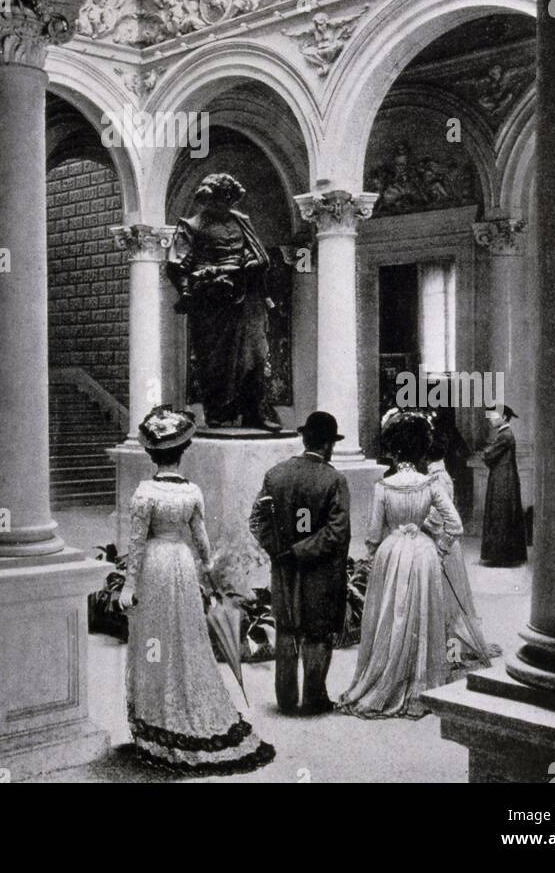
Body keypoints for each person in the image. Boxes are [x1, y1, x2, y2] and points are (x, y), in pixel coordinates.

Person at [120, 405, 275, 774]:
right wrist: (208, 577)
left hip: (156, 566)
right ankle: (176, 708)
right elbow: (203, 544)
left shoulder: (144, 493)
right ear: (181, 452)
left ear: (152, 454)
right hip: (181, 565)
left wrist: (128, 585)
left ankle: (158, 717)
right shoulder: (192, 492)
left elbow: (137, 544)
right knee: (185, 638)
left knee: (155, 639)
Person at [338, 414, 463, 719]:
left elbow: (372, 534)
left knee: (392, 612)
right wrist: (440, 547)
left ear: (394, 451)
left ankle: (387, 676)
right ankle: (420, 677)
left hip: (392, 551)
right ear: (421, 449)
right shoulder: (430, 483)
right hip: (423, 552)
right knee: (421, 612)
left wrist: (374, 553)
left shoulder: (384, 486)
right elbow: (455, 525)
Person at [249, 411, 350, 714]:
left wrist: (279, 550)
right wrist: (300, 550)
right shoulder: (335, 480)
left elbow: (256, 520)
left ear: (304, 439)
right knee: (318, 631)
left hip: (284, 570)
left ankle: (287, 698)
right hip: (320, 572)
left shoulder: (275, 474)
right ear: (329, 445)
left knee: (287, 629)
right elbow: (337, 531)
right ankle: (314, 698)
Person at [166, 172, 282, 433]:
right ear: (207, 199)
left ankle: (253, 412)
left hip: (247, 295)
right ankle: (217, 413)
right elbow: (176, 265)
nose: (225, 205)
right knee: (215, 359)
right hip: (212, 301)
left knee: (255, 355)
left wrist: (254, 262)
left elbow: (259, 253)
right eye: (220, 200)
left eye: (229, 200)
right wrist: (198, 284)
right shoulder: (191, 225)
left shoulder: (242, 221)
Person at [426, 430, 499, 666]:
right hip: (445, 542)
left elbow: (440, 518)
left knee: (448, 598)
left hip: (443, 542)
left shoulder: (437, 478)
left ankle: (452, 645)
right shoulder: (437, 473)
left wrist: (416, 519)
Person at [480, 405, 527, 566]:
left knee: (500, 514)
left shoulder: (504, 436)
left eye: (494, 416)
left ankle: (500, 556)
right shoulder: (505, 434)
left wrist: (485, 453)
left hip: (503, 480)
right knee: (504, 514)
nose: (491, 418)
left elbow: (488, 454)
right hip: (504, 477)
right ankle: (504, 556)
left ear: (505, 418)